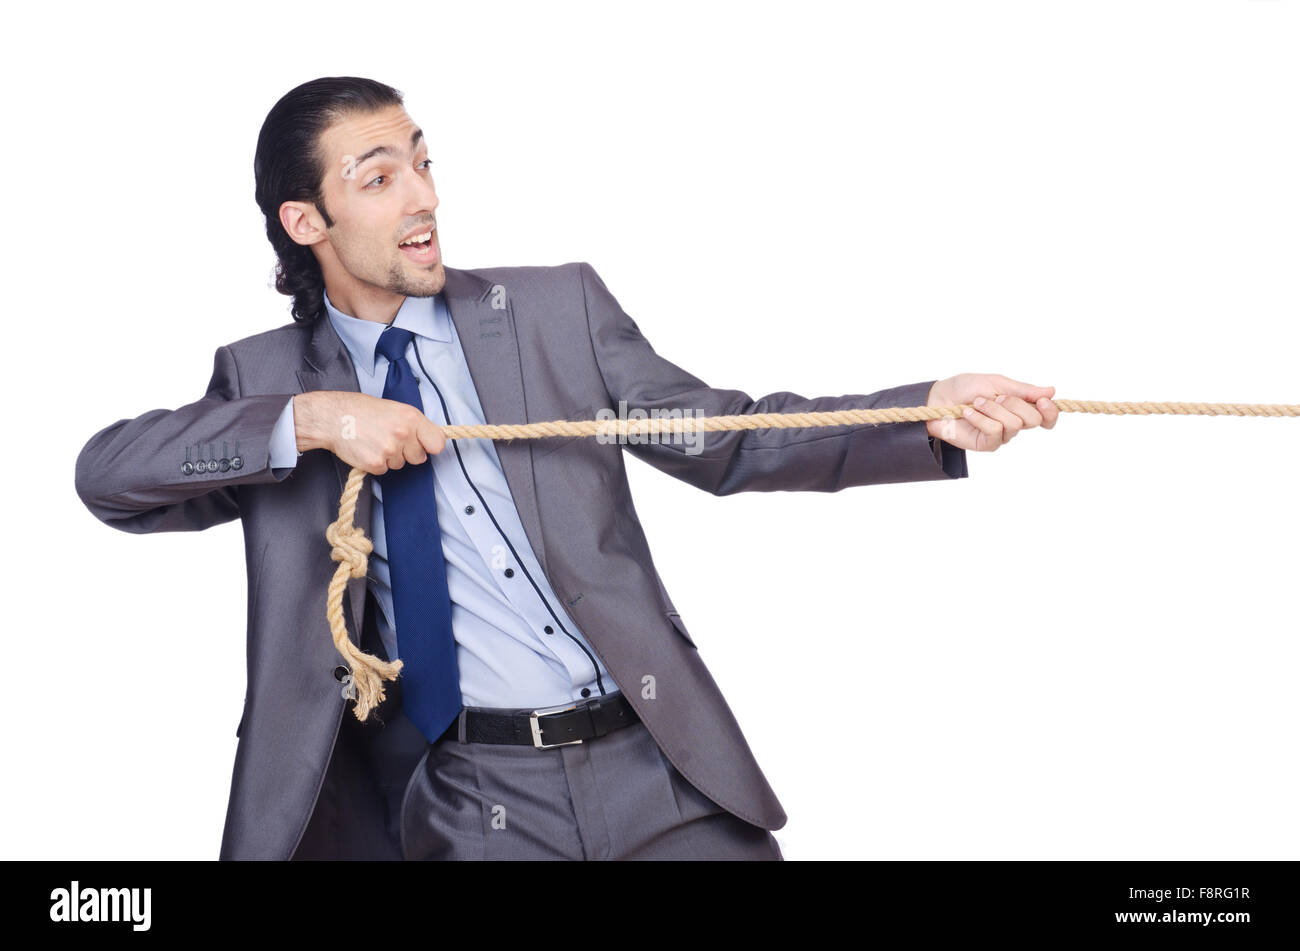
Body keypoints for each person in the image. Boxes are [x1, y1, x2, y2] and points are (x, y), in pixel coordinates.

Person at [74, 76, 1059, 861]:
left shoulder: (552, 313)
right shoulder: (268, 378)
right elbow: (108, 476)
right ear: (305, 224)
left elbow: (727, 439)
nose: (423, 196)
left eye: (422, 162)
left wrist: (927, 415)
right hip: (468, 803)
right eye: (378, 178)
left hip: (661, 771)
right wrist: (312, 418)